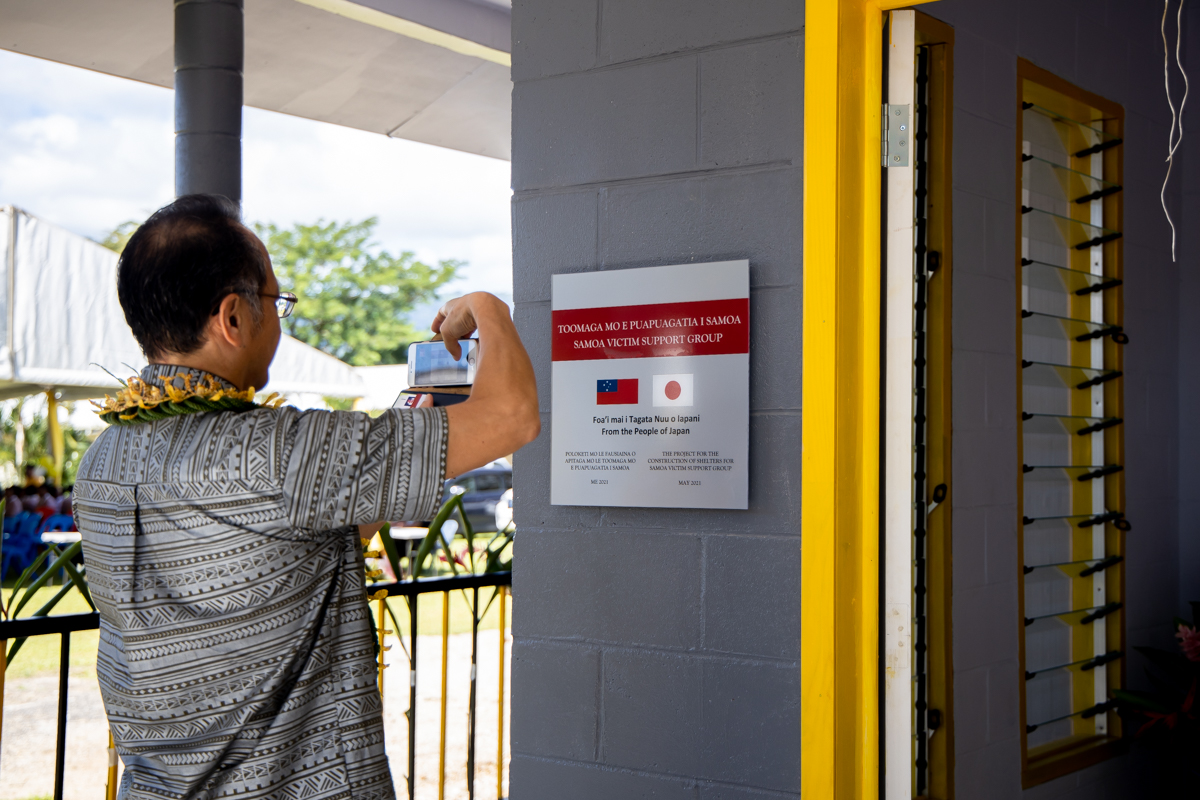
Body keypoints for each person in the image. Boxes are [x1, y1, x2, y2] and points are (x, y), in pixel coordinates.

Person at [73, 194, 538, 800]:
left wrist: (385, 465)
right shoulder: (277, 451)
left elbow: (274, 551)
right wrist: (487, 307)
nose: (279, 318)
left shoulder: (102, 459)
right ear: (233, 317)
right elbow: (512, 417)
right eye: (275, 301)